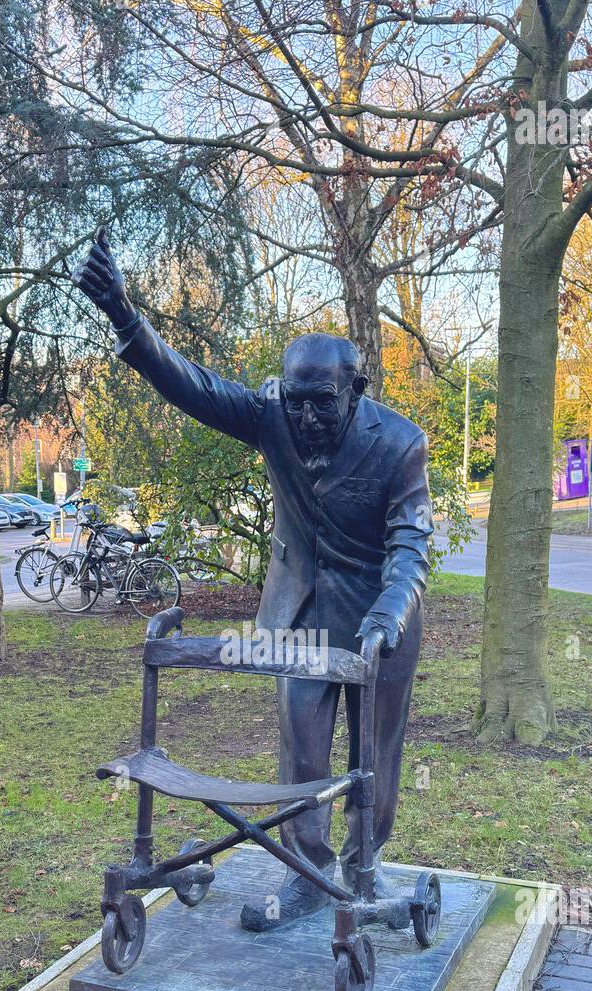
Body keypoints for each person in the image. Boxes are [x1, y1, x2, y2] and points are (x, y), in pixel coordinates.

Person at [73, 230, 433, 929]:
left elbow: (410, 545)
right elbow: (195, 387)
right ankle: (307, 874)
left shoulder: (400, 444)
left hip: (381, 622)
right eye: (295, 401)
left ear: (355, 391)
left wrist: (390, 612)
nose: (306, 418)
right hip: (298, 616)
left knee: (373, 755)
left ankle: (363, 867)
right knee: (301, 749)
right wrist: (123, 313)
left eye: (322, 403)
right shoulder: (274, 417)